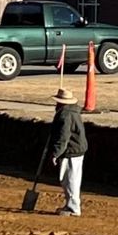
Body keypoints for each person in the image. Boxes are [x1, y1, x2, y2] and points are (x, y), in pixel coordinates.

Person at [44, 86, 89, 215]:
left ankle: (73, 208)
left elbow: (63, 136)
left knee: (69, 179)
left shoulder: (65, 115)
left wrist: (55, 153)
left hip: (71, 151)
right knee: (72, 179)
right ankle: (72, 206)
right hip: (77, 149)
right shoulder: (72, 111)